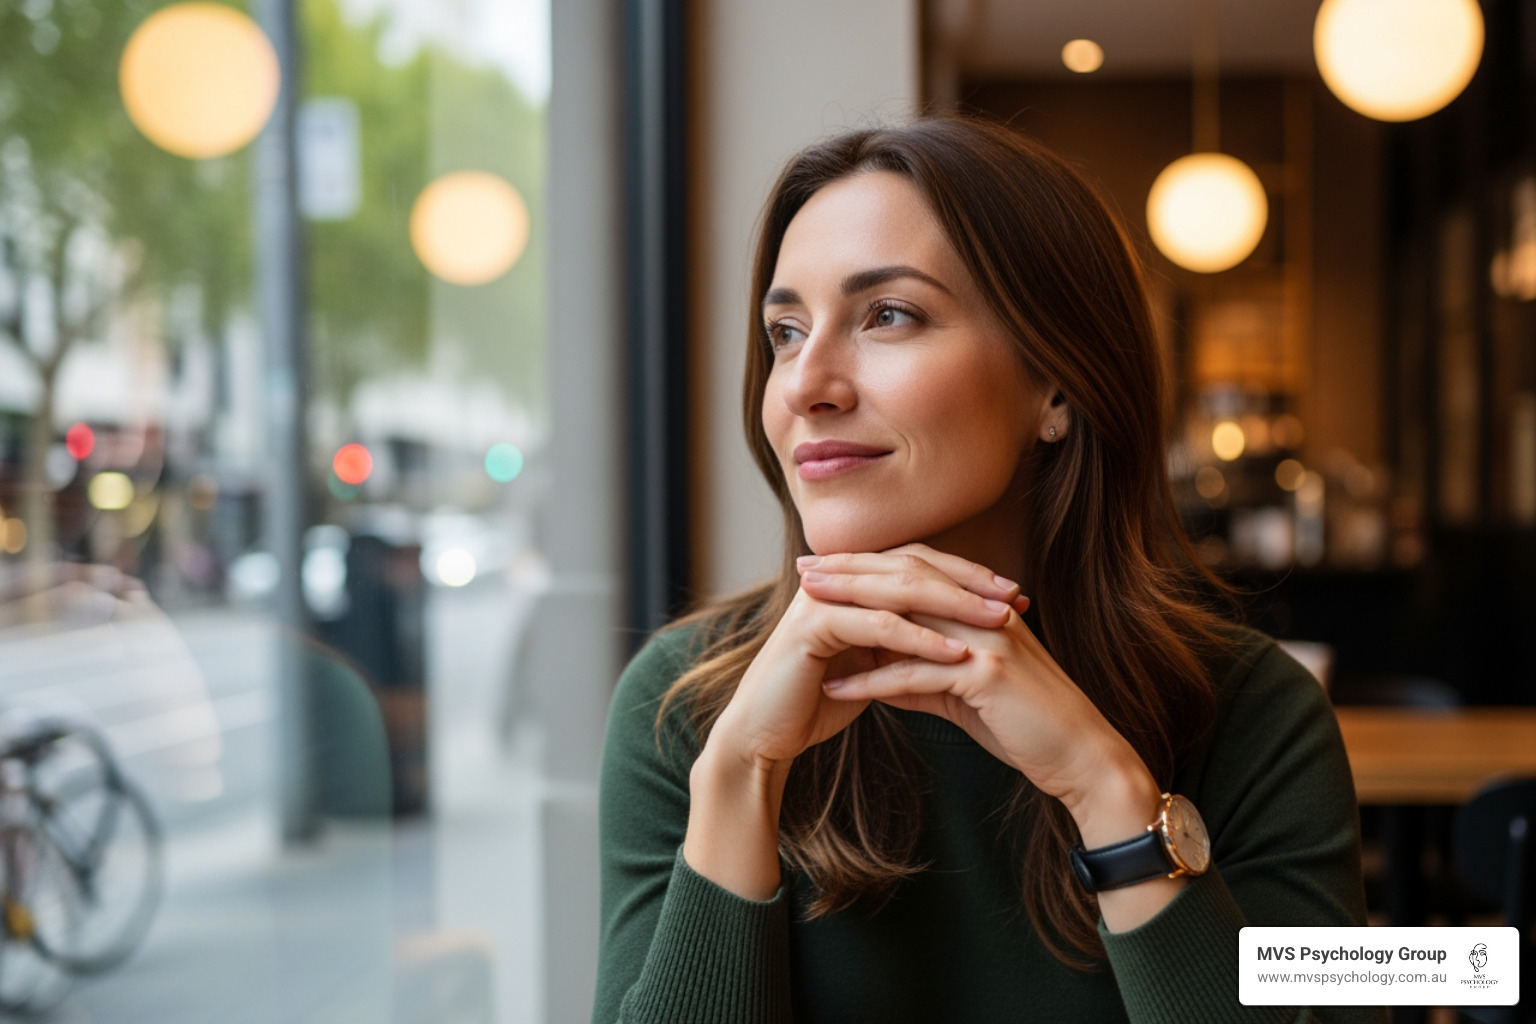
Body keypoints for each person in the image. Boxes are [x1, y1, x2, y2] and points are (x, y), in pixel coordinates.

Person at [592, 116, 1384, 1024]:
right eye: (784, 330)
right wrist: (737, 780)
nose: (805, 384)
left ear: (1055, 380)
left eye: (887, 315)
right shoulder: (688, 707)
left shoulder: (1260, 713)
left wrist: (1107, 789)